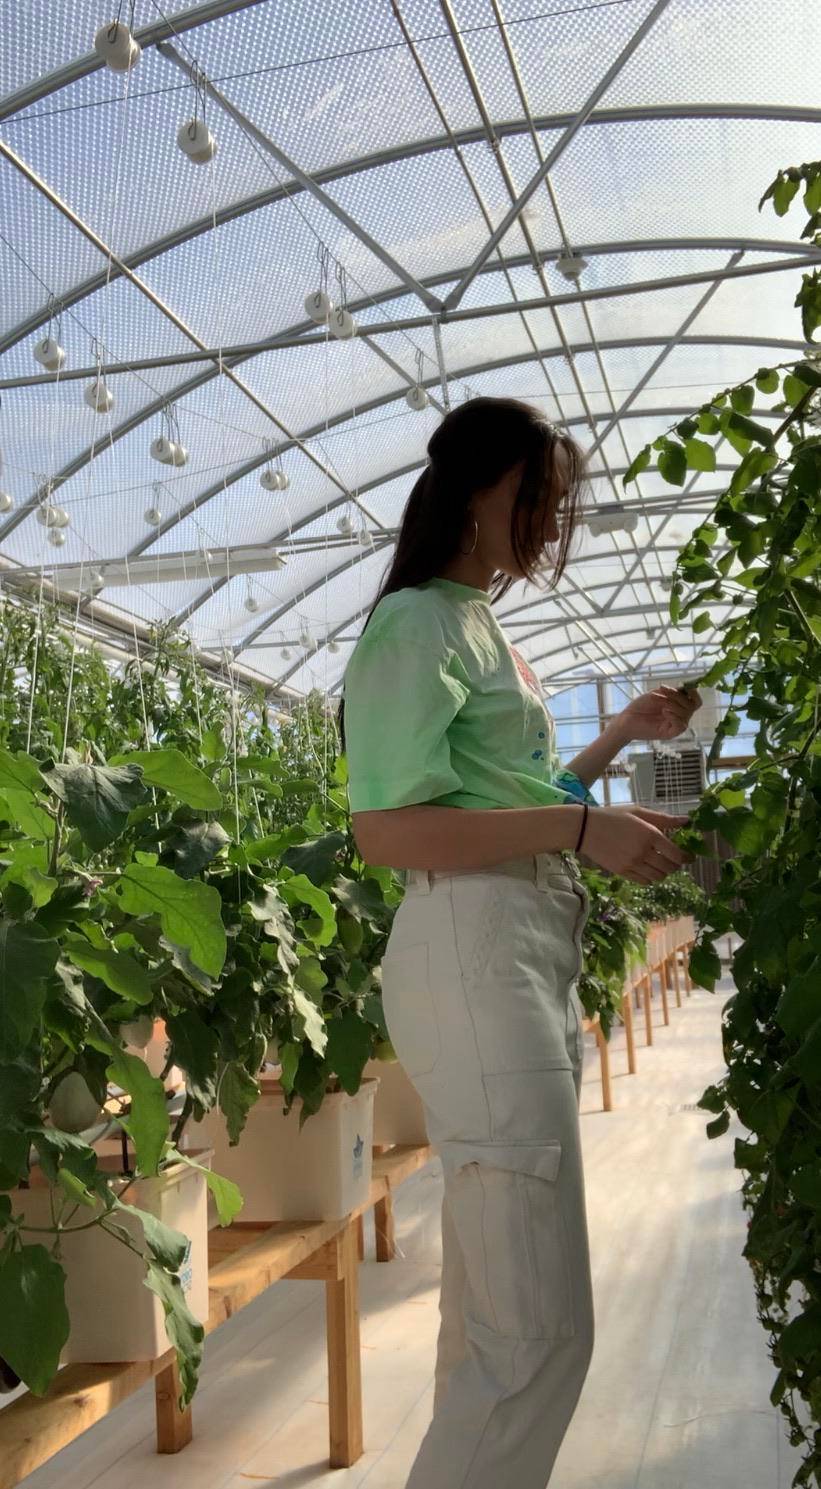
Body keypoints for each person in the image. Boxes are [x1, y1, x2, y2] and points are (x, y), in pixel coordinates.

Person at [337, 397, 699, 1489]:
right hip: (473, 946)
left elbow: (518, 796)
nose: (551, 522)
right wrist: (582, 830)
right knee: (535, 1334)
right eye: (539, 496)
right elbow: (385, 829)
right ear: (481, 488)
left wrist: (616, 745)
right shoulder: (415, 624)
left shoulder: (476, 625)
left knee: (494, 1320)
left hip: (512, 951)